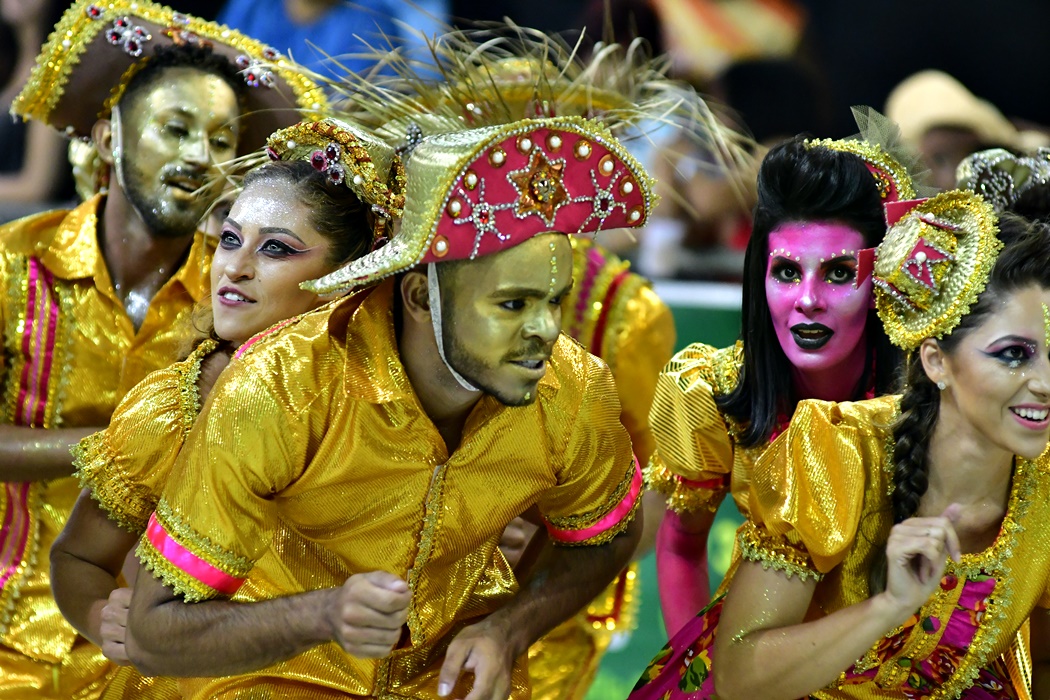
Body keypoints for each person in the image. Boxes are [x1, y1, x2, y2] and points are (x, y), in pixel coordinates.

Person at [124, 114, 654, 699]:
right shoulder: (281, 385)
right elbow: (154, 629)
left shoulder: (574, 389)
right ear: (422, 297)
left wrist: (507, 629)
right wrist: (324, 615)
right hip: (265, 678)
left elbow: (609, 533)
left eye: (554, 302)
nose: (545, 332)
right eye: (512, 305)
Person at [0, 0, 325, 695]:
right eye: (174, 129)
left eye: (218, 139)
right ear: (107, 139)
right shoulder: (10, 264)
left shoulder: (247, 292)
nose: (195, 158)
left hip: (172, 655)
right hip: (9, 634)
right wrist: (123, 443)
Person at [631, 190, 1050, 699]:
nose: (1044, 382)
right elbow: (740, 676)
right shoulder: (836, 452)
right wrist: (889, 605)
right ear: (937, 362)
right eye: (1013, 354)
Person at [48, 117, 403, 698]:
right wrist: (100, 620)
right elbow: (79, 558)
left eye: (277, 250)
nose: (234, 267)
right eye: (231, 239)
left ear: (347, 279)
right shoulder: (177, 406)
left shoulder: (395, 403)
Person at [647, 118, 924, 637]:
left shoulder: (926, 396)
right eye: (787, 272)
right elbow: (681, 547)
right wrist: (701, 683)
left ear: (883, 279)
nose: (807, 300)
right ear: (760, 274)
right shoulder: (715, 391)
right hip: (756, 663)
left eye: (840, 273)